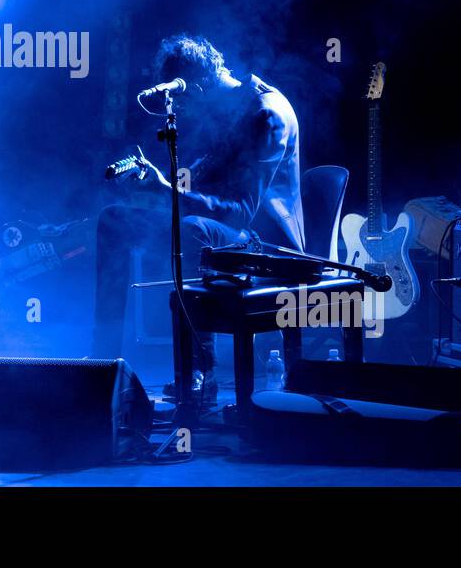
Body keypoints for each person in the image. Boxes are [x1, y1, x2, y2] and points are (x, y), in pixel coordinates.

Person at [92, 34, 304, 400]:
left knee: (190, 230)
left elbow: (240, 213)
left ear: (199, 84)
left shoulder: (265, 116)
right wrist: (154, 187)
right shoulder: (230, 110)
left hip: (263, 241)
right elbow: (204, 187)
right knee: (114, 220)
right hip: (219, 230)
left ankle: (199, 371)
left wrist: (168, 193)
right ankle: (103, 363)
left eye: (186, 102)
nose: (186, 113)